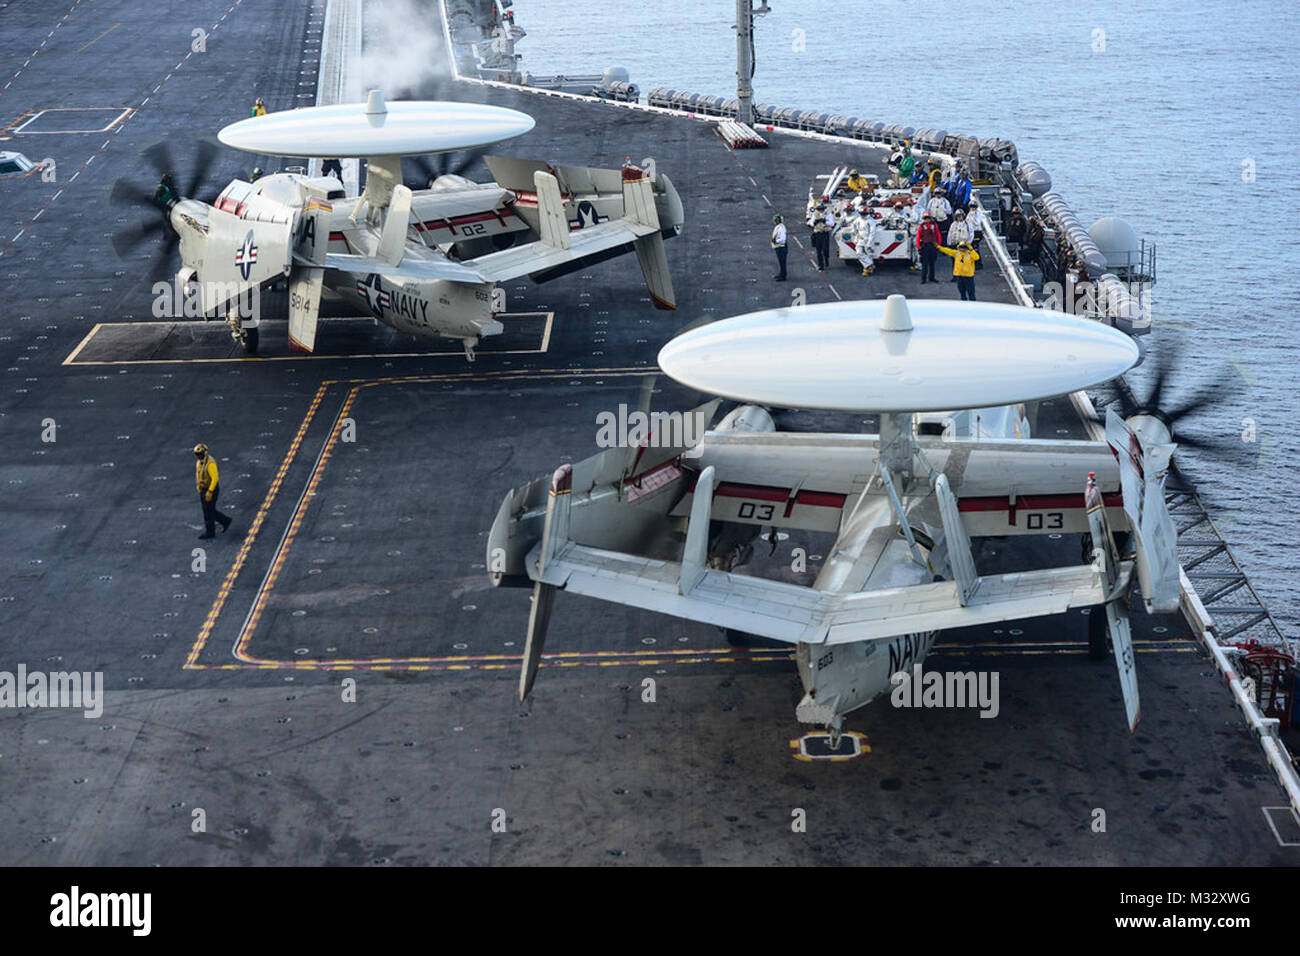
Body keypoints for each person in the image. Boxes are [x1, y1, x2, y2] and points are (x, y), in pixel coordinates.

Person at [194, 443, 232, 539]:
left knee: (208, 512)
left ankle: (210, 533)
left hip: (210, 489)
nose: (198, 456)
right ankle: (225, 521)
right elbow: (198, 474)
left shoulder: (210, 463)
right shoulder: (199, 462)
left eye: (200, 454)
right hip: (203, 489)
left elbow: (215, 478)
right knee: (208, 510)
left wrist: (210, 491)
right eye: (197, 454)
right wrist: (198, 486)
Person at [916, 211, 943, 283]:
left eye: (928, 218)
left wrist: (939, 245)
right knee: (924, 264)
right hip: (925, 246)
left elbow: (938, 235)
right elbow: (918, 237)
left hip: (933, 246)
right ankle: (923, 278)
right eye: (925, 218)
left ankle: (932, 277)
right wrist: (919, 247)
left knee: (932, 263)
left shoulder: (934, 225)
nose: (927, 220)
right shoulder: (921, 226)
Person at [853, 208, 878, 275]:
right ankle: (870, 265)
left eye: (864, 213)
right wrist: (855, 237)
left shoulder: (871, 221)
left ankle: (867, 270)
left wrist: (869, 242)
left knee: (869, 255)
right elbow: (854, 228)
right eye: (861, 213)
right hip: (860, 239)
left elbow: (872, 232)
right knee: (858, 253)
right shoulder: (858, 219)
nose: (863, 215)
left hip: (868, 240)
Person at [811, 200, 834, 271]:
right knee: (818, 250)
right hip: (817, 234)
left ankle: (826, 258)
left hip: (825, 233)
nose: (820, 210)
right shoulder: (815, 214)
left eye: (822, 209)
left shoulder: (828, 214)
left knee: (825, 249)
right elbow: (811, 223)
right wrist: (815, 222)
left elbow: (832, 223)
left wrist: (825, 221)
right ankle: (820, 265)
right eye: (819, 209)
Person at [770, 214, 788, 281]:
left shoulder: (781, 228)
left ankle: (783, 276)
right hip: (779, 247)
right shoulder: (779, 226)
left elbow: (783, 239)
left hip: (781, 247)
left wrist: (775, 241)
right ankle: (781, 273)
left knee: (782, 262)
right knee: (781, 262)